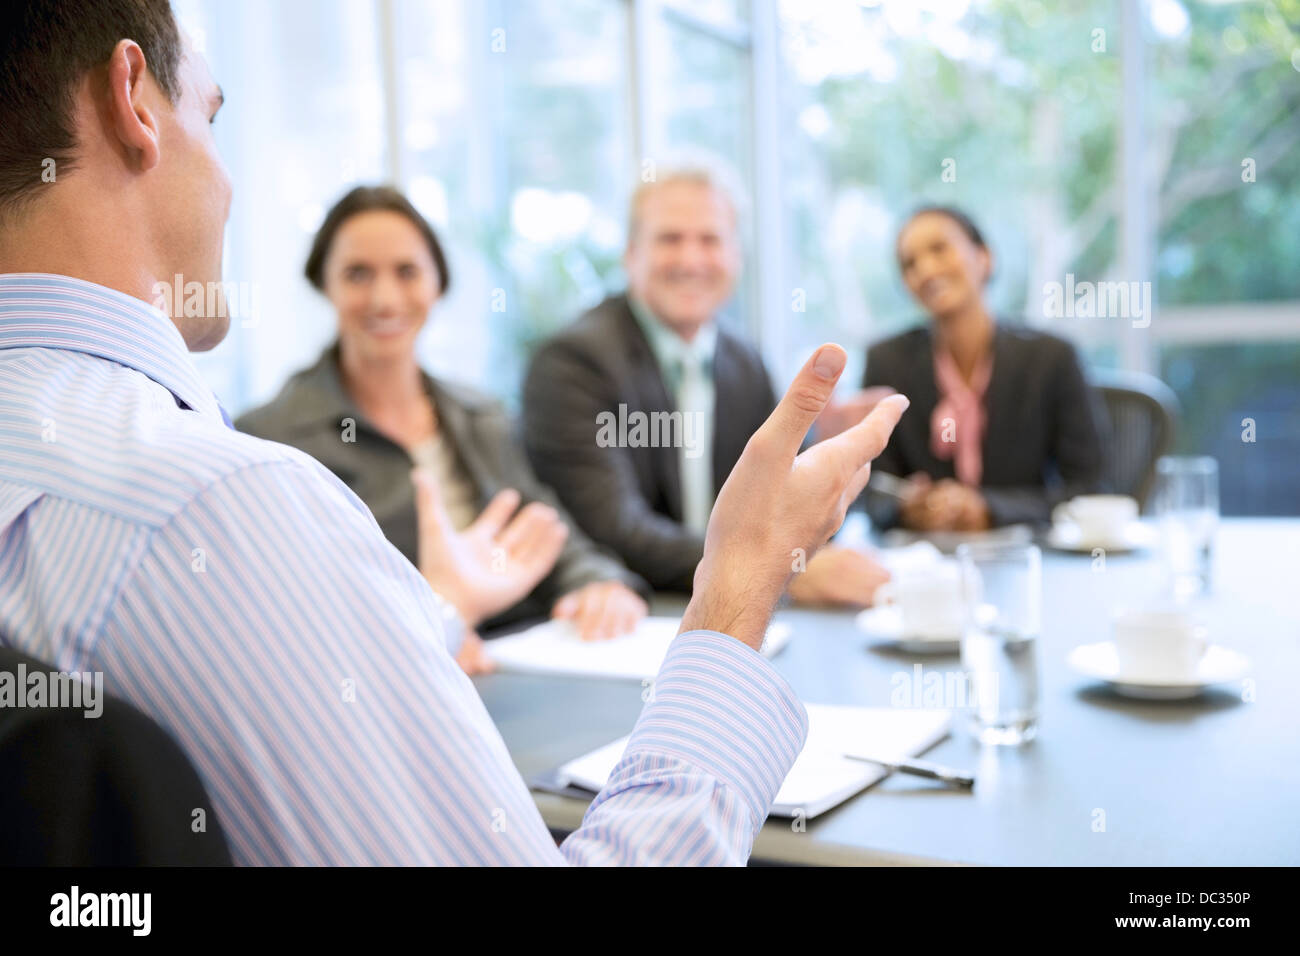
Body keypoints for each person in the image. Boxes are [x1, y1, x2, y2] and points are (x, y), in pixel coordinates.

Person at [0, 0, 908, 865]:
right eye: (211, 116)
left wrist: (435, 607)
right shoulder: (220, 502)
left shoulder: (454, 418)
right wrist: (743, 582)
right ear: (134, 104)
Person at [236, 186, 649, 674]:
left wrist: (596, 582)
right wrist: (438, 630)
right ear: (325, 285)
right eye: (357, 274)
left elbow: (543, 529)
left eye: (407, 272)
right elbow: (295, 613)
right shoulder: (270, 438)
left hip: (517, 664)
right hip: (398, 678)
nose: (385, 298)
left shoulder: (480, 415)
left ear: (438, 283)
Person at [523, 161, 891, 605]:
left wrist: (825, 449)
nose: (691, 260)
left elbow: (770, 504)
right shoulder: (574, 363)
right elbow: (614, 529)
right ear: (630, 254)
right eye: (670, 239)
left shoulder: (744, 362)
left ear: (736, 255)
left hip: (734, 618)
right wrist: (777, 569)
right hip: (627, 615)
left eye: (710, 240)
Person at [825, 206, 1105, 531]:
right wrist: (906, 507)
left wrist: (989, 508)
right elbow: (872, 490)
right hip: (923, 563)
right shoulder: (887, 360)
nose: (926, 270)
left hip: (1026, 557)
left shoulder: (1052, 358)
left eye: (939, 249)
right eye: (909, 264)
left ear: (984, 257)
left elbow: (1089, 489)